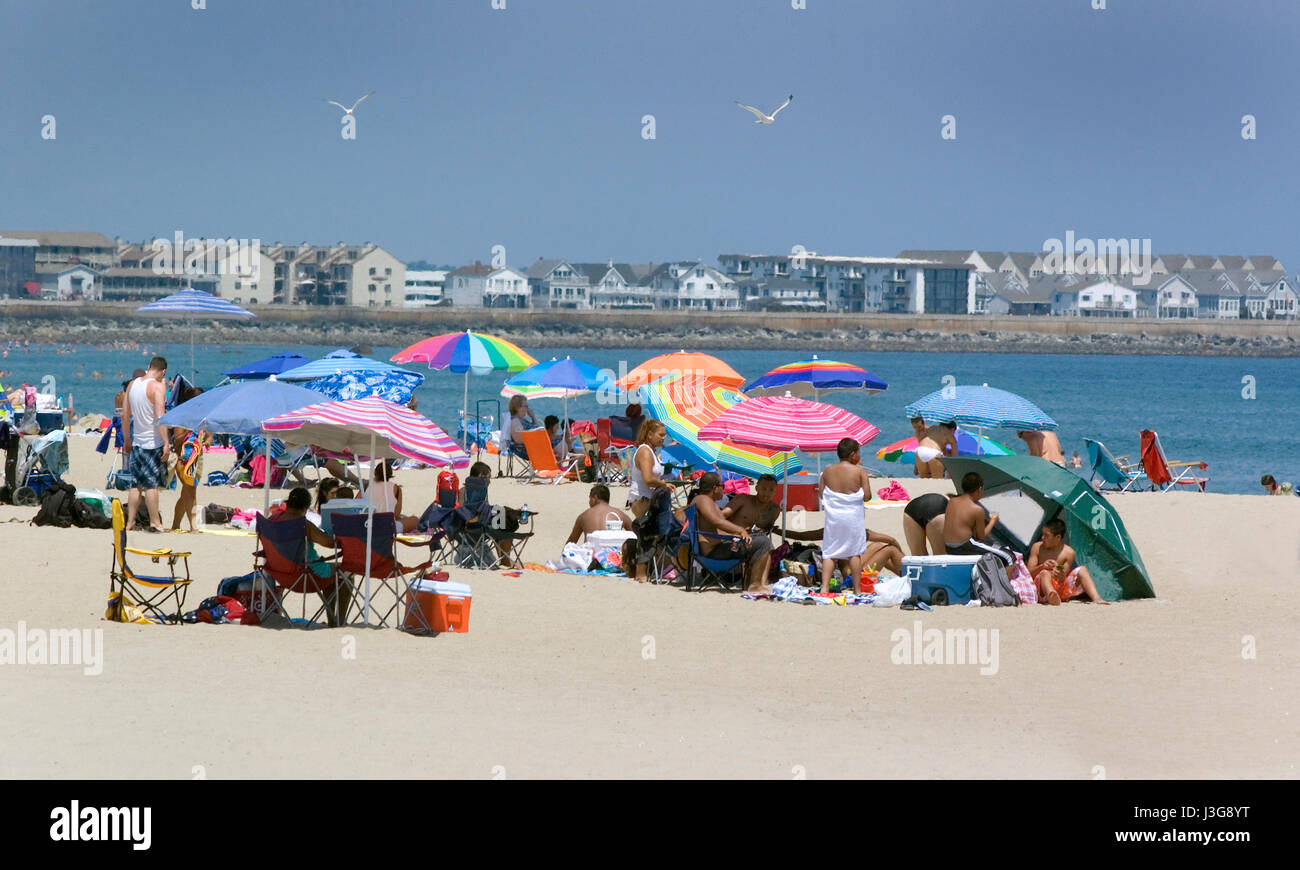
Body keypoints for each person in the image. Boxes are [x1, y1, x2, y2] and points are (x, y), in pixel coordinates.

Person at [270, 486, 350, 626]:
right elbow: (330, 543)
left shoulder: (272, 521)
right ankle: (338, 621)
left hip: (278, 573)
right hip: (305, 575)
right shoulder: (304, 525)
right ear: (306, 508)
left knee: (331, 575)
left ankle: (333, 620)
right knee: (346, 574)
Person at [691, 472, 772, 593]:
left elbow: (714, 528)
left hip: (717, 547)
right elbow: (717, 522)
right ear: (715, 488)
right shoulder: (703, 499)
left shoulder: (705, 501)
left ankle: (751, 581)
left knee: (757, 537)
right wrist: (739, 530)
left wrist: (737, 534)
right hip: (714, 553)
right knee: (763, 542)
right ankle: (755, 585)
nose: (724, 488)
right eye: (722, 485)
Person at [818, 437, 874, 594]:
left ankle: (824, 587)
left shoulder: (827, 471)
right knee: (854, 553)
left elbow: (822, 494)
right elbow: (867, 496)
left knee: (829, 552)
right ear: (852, 454)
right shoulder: (860, 471)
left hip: (834, 518)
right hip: (852, 518)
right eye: (858, 453)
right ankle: (857, 589)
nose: (859, 457)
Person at [121, 357, 170, 533]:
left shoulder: (132, 385)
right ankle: (155, 522)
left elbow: (125, 415)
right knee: (151, 485)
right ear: (163, 372)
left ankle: (130, 522)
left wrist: (127, 439)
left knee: (135, 485)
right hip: (152, 442)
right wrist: (166, 442)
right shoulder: (157, 387)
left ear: (149, 367)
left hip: (137, 441)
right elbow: (159, 415)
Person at [1028, 518, 1107, 605]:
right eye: (1042, 534)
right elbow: (1028, 573)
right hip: (1041, 590)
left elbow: (1063, 578)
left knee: (1082, 569)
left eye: (1046, 536)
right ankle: (1051, 595)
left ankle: (1096, 598)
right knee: (1044, 573)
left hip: (1060, 589)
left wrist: (1059, 573)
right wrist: (1042, 566)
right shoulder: (1037, 547)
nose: (1043, 538)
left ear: (1058, 537)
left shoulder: (1069, 552)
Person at [942, 472, 1004, 558]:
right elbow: (981, 537)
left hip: (948, 546)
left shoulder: (952, 501)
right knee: (1009, 557)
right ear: (979, 489)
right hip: (964, 546)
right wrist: (993, 522)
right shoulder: (977, 509)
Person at [628, 419, 672, 519]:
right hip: (642, 500)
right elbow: (648, 479)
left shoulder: (651, 451)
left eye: (665, 435)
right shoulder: (645, 451)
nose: (664, 438)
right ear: (650, 434)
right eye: (661, 435)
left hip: (648, 498)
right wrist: (664, 484)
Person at [170, 425, 211, 532]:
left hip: (197, 458)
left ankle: (175, 524)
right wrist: (189, 431)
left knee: (186, 493)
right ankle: (194, 526)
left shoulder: (203, 420)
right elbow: (177, 440)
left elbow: (209, 435)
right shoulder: (182, 420)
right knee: (190, 490)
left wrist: (207, 441)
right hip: (183, 458)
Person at [566, 483, 634, 544]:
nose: (589, 502)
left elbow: (572, 541)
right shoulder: (620, 514)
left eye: (590, 498)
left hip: (591, 555)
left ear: (595, 498)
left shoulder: (583, 516)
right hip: (612, 555)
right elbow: (635, 535)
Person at [370, 460, 419, 532]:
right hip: (387, 526)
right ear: (390, 474)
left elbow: (356, 503)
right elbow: (396, 513)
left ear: (375, 473)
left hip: (367, 524)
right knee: (415, 520)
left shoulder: (366, 486)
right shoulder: (396, 488)